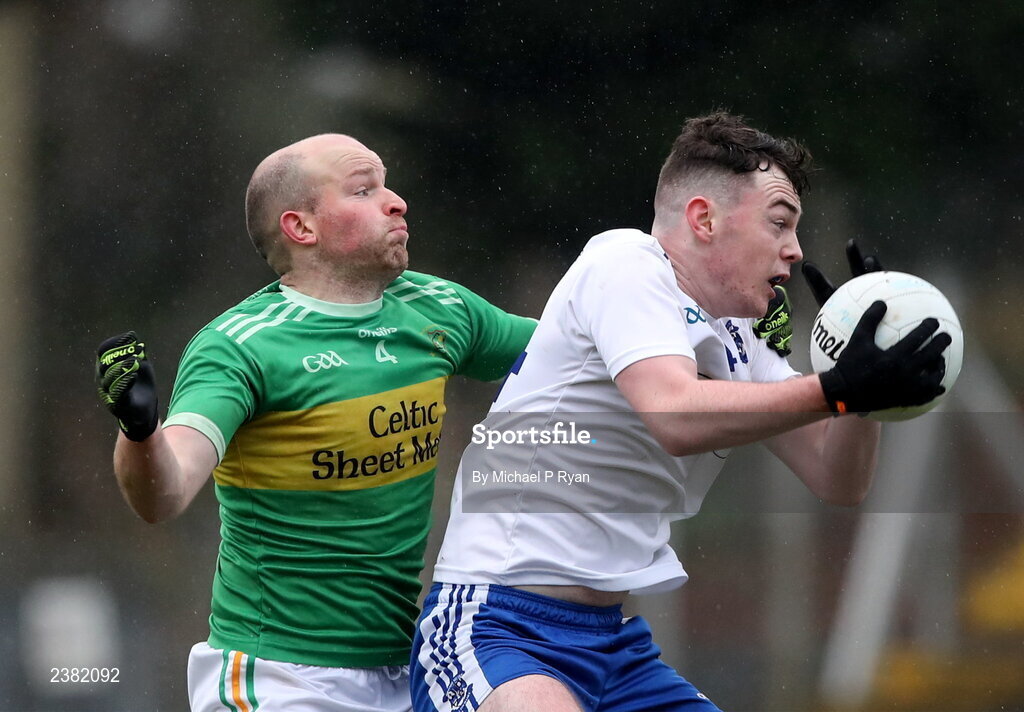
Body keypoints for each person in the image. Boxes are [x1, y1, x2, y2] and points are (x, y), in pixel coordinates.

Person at [410, 112, 950, 712]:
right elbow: (675, 414)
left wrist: (861, 397)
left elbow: (837, 477)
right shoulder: (624, 262)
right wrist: (840, 388)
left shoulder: (742, 339)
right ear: (703, 218)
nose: (795, 250)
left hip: (613, 646)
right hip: (498, 627)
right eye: (779, 223)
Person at [94, 133, 536, 712]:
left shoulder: (441, 308)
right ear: (301, 228)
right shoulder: (241, 346)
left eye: (387, 183)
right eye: (364, 189)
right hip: (280, 678)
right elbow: (165, 494)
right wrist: (139, 430)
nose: (396, 201)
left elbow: (587, 357)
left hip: (409, 668)